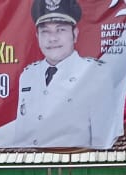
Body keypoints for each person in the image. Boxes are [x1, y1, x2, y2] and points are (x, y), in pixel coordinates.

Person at [13, 0, 110, 148]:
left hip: (73, 167)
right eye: (45, 31)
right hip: (32, 167)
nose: (52, 38)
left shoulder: (95, 74)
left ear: (75, 34)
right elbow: (21, 135)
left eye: (60, 30)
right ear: (37, 36)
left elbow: (103, 139)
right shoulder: (28, 76)